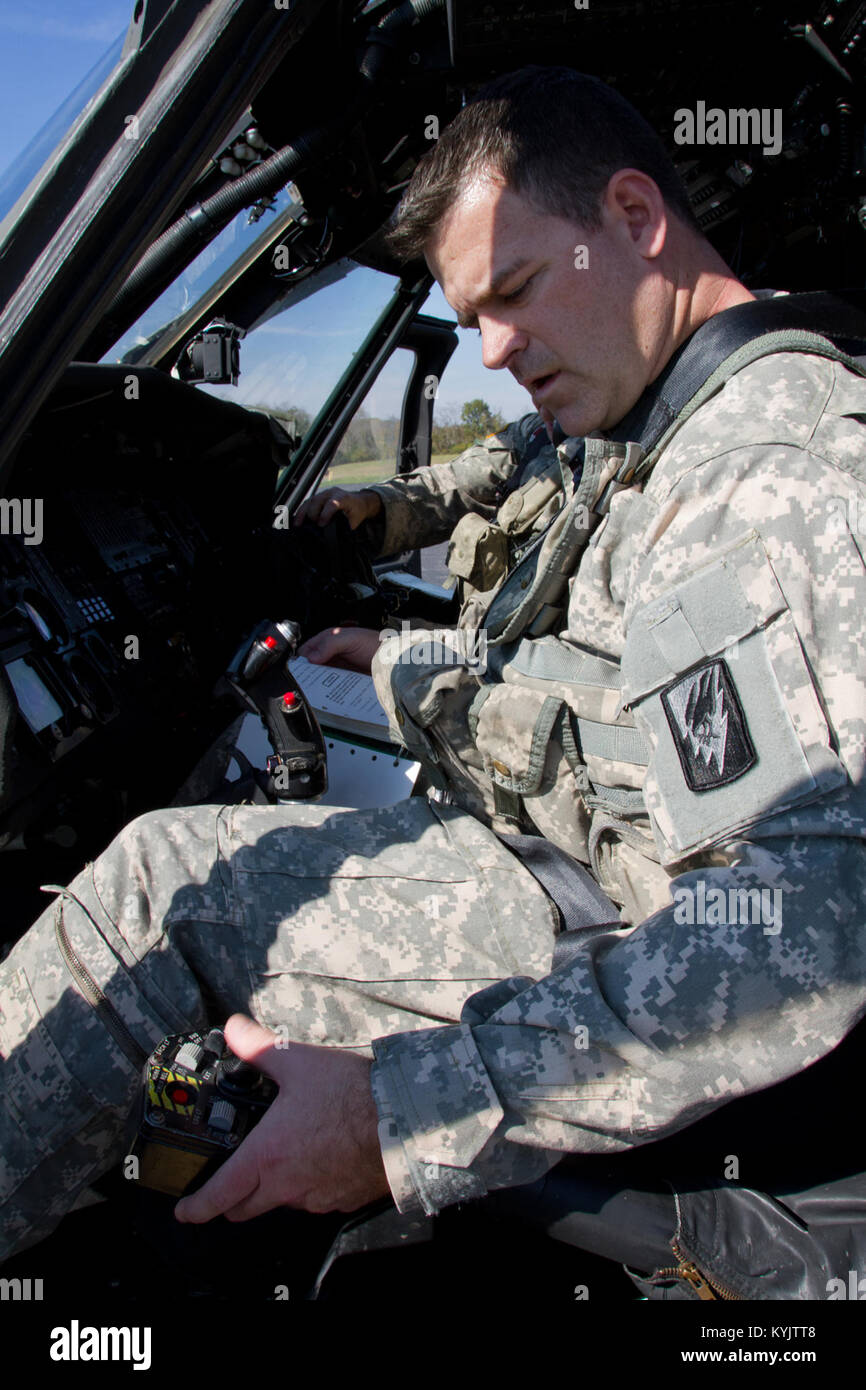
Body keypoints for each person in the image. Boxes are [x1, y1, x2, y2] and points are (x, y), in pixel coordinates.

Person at [1, 66, 865, 1300]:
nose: (493, 350)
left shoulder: (763, 470)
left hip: (614, 922)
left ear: (632, 217)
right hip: (584, 866)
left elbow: (795, 929)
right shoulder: (661, 417)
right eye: (471, 318)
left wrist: (408, 1111)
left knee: (154, 889)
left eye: (512, 291)